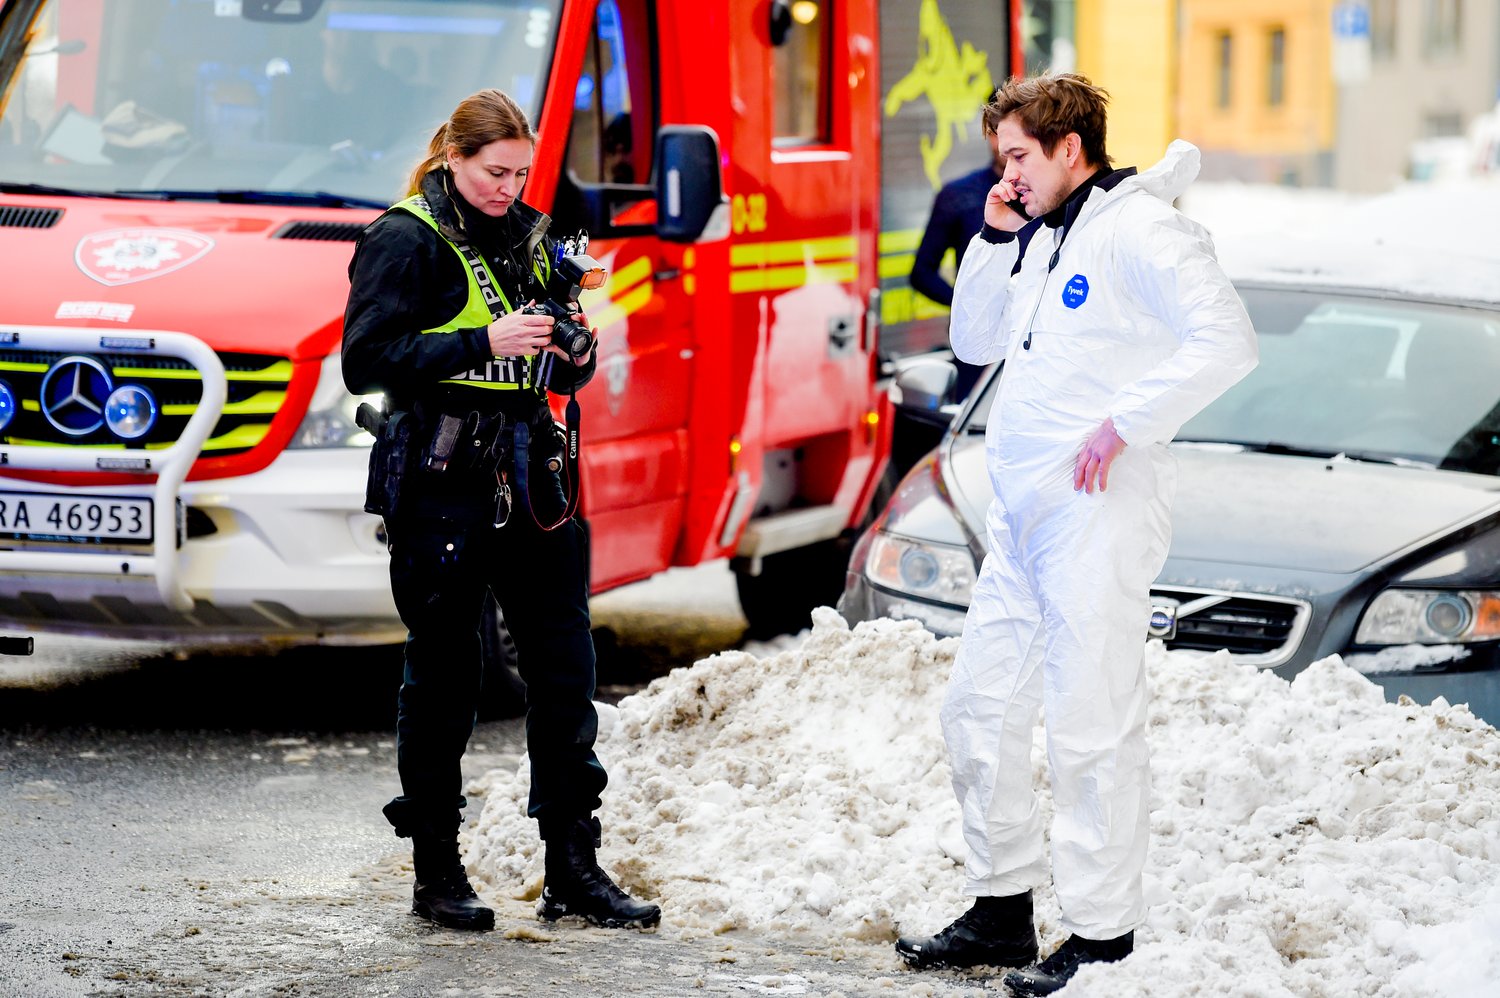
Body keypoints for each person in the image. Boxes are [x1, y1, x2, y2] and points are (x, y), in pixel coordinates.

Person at [893, 73, 1257, 995]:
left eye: (1018, 156)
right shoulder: (1040, 237)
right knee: (978, 713)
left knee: (1091, 726)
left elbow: (1225, 338)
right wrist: (990, 234)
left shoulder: (1139, 228)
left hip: (1098, 512)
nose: (1007, 173)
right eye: (1000, 159)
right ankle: (1001, 909)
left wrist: (1125, 421)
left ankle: (1103, 936)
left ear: (1069, 146)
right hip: (1021, 522)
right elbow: (973, 342)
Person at [342, 88, 660, 933]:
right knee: (446, 676)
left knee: (565, 673)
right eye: (493, 172)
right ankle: (436, 873)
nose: (507, 188)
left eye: (520, 173)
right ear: (453, 157)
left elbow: (564, 367)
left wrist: (573, 347)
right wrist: (484, 341)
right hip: (442, 480)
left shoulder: (532, 230)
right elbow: (365, 360)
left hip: (535, 475)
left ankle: (572, 869)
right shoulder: (402, 238)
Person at [908, 100, 1010, 399]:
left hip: (1035, 348)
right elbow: (921, 273)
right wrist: (971, 306)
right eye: (999, 133)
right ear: (990, 135)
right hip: (978, 352)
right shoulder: (959, 195)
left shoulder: (1053, 198)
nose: (1006, 146)